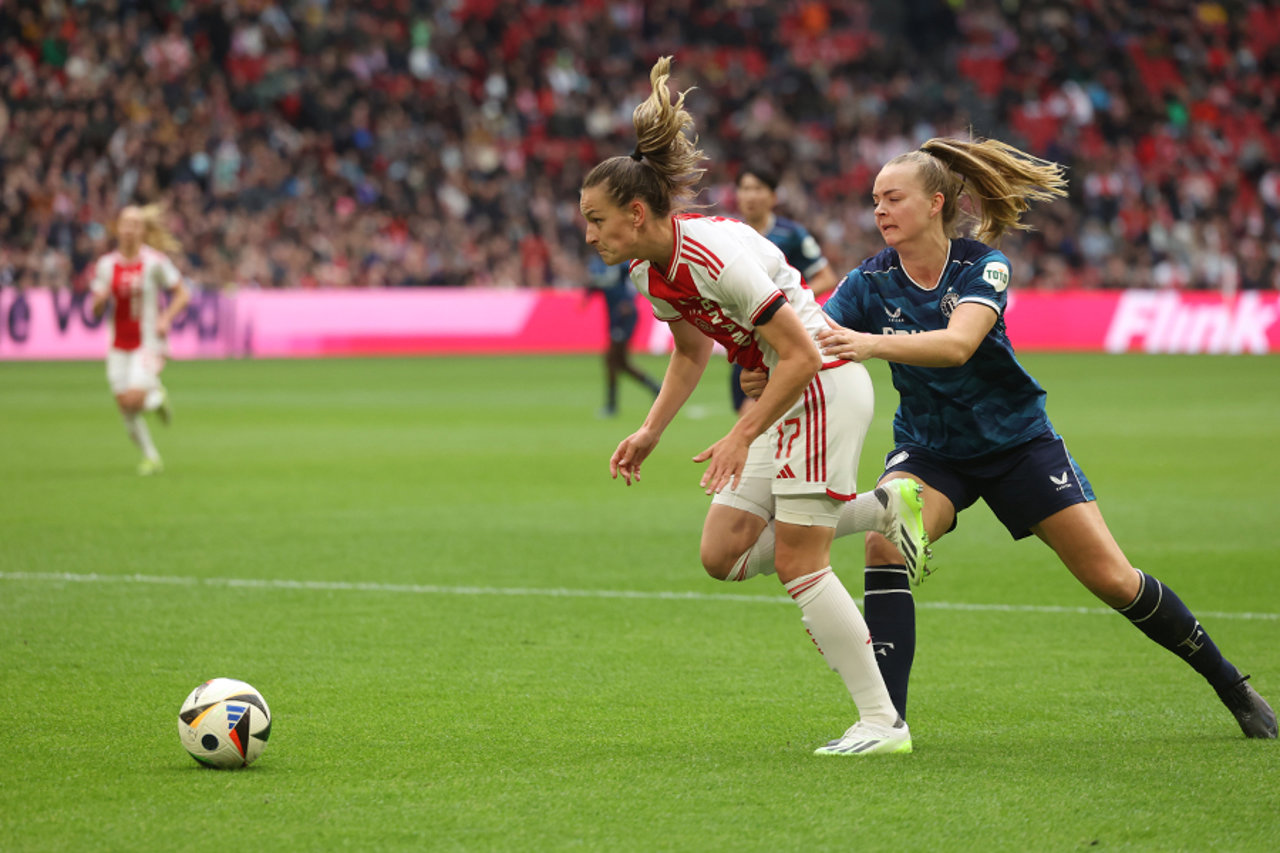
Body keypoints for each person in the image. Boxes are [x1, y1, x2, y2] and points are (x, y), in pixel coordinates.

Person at [741, 136, 1277, 738]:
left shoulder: (982, 265)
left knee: (1113, 579)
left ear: (936, 202)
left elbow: (957, 344)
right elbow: (813, 345)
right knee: (884, 542)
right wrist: (767, 366)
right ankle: (886, 722)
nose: (880, 211)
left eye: (893, 198)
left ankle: (1230, 685)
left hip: (1019, 443)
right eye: (874, 201)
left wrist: (867, 344)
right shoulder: (870, 280)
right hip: (930, 449)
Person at [579, 56, 930, 756]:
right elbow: (689, 352)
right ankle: (887, 507)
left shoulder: (711, 256)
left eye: (597, 220)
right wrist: (651, 429)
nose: (590, 235)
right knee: (724, 553)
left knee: (801, 559)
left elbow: (800, 354)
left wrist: (742, 433)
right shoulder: (654, 273)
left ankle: (882, 722)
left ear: (637, 212)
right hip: (780, 391)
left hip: (822, 381)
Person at [729, 165, 839, 415]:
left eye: (757, 189)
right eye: (744, 189)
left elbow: (826, 277)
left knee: (755, 415)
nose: (750, 196)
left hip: (783, 335)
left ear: (773, 197)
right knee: (745, 411)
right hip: (748, 336)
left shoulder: (792, 234)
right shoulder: (729, 235)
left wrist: (785, 302)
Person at [89, 204, 190, 476]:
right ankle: (151, 457)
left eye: (135, 224)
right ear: (117, 228)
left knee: (133, 400)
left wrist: (166, 318)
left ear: (143, 230)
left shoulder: (155, 262)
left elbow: (182, 294)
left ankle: (155, 396)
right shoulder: (106, 265)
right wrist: (98, 302)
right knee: (125, 406)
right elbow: (95, 311)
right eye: (125, 223)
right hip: (118, 344)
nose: (130, 229)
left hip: (147, 342)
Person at [584, 253, 662, 417]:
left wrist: (629, 300)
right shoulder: (599, 264)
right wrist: (588, 294)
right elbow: (597, 285)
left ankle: (612, 405)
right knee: (621, 363)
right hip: (614, 317)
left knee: (611, 359)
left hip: (625, 316)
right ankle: (655, 388)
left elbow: (634, 280)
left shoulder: (620, 263)